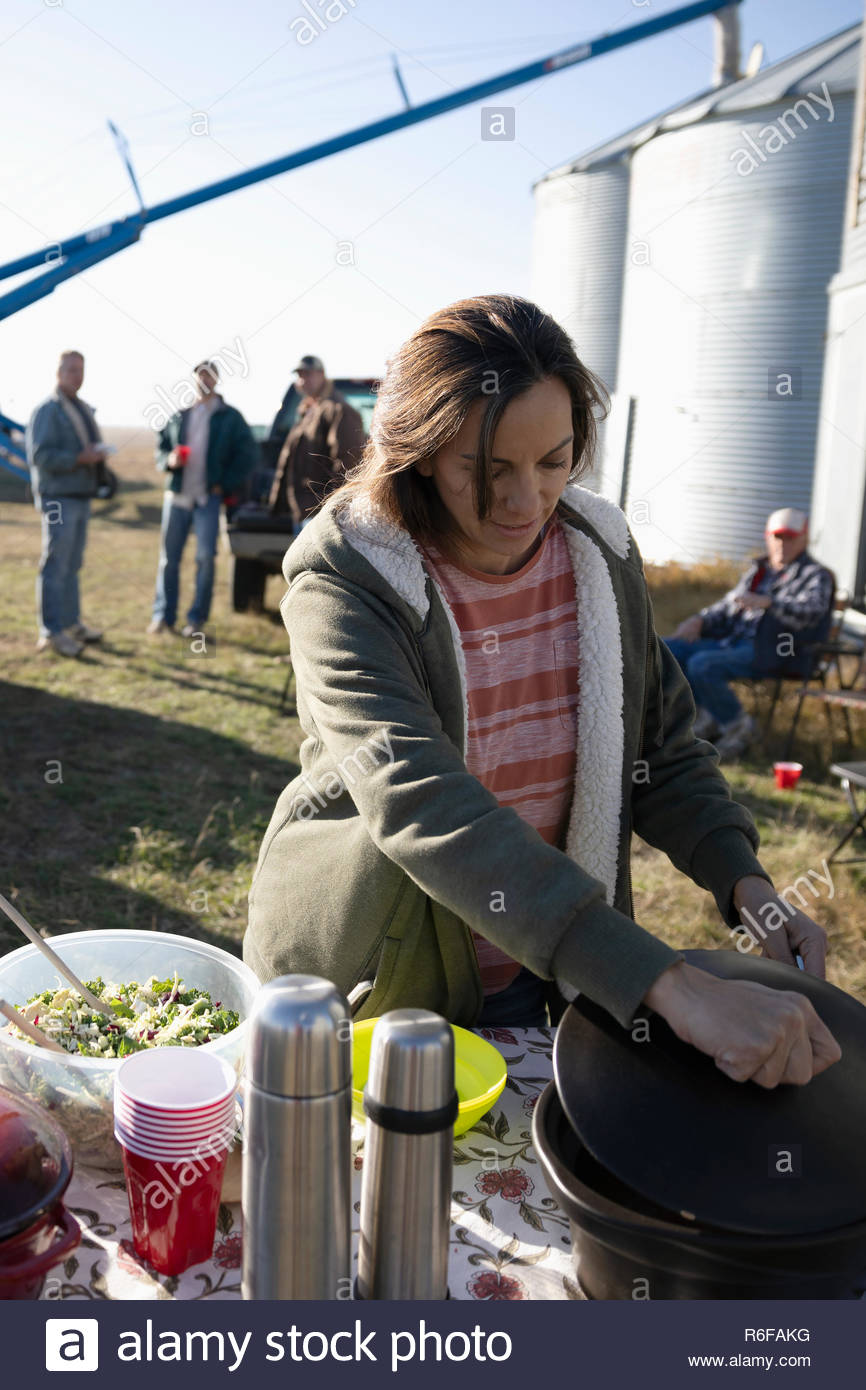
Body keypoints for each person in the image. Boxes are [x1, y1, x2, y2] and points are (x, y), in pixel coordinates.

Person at [244, 295, 839, 1090]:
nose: (525, 501)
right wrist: (669, 982)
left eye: (553, 462)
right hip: (382, 982)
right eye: (485, 471)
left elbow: (660, 749)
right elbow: (422, 801)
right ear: (420, 452)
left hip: (553, 966)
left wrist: (747, 886)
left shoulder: (599, 557)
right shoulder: (348, 580)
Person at [665, 509, 835, 759]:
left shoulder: (816, 575)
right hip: (732, 643)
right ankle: (701, 718)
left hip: (777, 652)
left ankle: (738, 727)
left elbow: (810, 613)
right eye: (778, 537)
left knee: (703, 664)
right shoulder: (759, 570)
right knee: (666, 649)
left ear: (804, 539)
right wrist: (698, 620)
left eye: (790, 537)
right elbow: (728, 605)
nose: (782, 544)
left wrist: (769, 602)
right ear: (767, 537)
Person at [148, 360, 257, 636]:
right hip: (177, 496)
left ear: (217, 380)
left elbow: (248, 456)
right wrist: (168, 460)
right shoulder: (180, 415)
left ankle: (196, 620)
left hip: (207, 498)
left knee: (205, 559)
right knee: (168, 559)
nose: (205, 380)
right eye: (200, 376)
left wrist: (225, 484)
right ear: (194, 379)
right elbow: (161, 449)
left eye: (210, 376)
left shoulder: (230, 417)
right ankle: (163, 616)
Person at [26, 350, 110, 658]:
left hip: (80, 495)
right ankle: (51, 631)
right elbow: (39, 456)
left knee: (73, 565)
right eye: (72, 370)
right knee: (56, 564)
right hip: (58, 498)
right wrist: (78, 458)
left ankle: (72, 623)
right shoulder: (49, 410)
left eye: (81, 370)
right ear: (59, 373)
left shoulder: (81, 408)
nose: (78, 375)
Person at [268, 354, 366, 537]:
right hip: (303, 509)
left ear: (322, 374)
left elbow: (348, 462)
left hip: (321, 513)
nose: (304, 380)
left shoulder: (338, 410)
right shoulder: (308, 411)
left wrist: (331, 506)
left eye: (308, 374)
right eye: (300, 375)